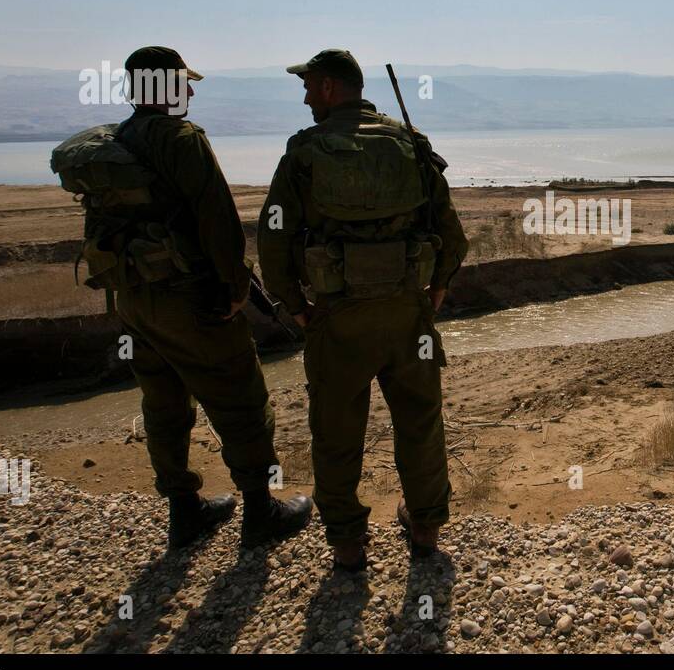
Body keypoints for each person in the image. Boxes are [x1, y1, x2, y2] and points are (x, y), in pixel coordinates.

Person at [56, 46, 312, 551]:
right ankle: (261, 510)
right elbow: (217, 219)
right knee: (240, 397)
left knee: (164, 401)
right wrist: (236, 290)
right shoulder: (180, 138)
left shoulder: (117, 142)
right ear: (166, 86)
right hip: (189, 299)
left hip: (133, 299)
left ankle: (184, 510)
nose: (190, 91)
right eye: (184, 83)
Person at [258, 49, 468, 572]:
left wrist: (297, 309)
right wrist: (436, 291)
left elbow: (274, 236)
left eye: (309, 86)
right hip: (407, 314)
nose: (306, 96)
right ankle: (424, 528)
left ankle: (348, 544)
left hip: (337, 317)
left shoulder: (304, 152)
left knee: (335, 431)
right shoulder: (409, 144)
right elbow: (452, 235)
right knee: (420, 424)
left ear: (330, 88)